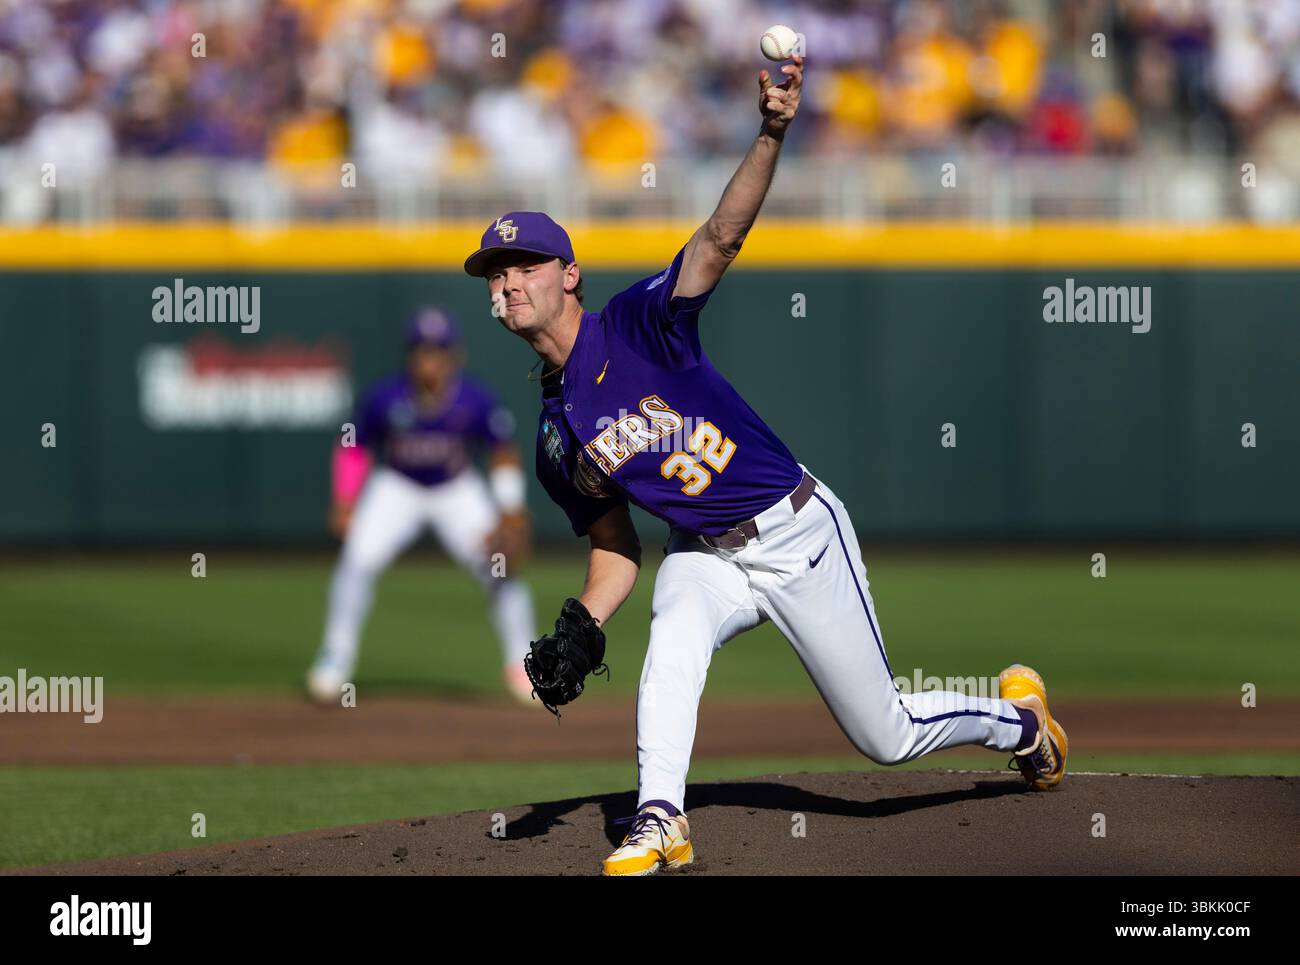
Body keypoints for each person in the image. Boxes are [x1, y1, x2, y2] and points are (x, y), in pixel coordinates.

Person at [464, 54, 1067, 876]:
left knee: (883, 736)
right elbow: (615, 546)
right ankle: (660, 816)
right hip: (704, 552)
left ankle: (1020, 721)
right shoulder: (553, 441)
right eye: (496, 274)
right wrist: (584, 620)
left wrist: (772, 130)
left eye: (525, 264)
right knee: (671, 634)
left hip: (795, 531)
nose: (508, 282)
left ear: (569, 275)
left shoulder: (638, 324)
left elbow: (720, 236)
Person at [306, 307, 539, 706]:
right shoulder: (385, 397)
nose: (429, 359)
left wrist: (510, 509)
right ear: (410, 356)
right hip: (397, 487)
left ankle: (526, 665)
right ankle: (335, 658)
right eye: (422, 351)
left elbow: (502, 451)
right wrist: (345, 499)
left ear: (454, 356)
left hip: (456, 488)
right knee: (357, 560)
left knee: (499, 566)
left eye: (438, 351)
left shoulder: (475, 399)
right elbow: (353, 445)